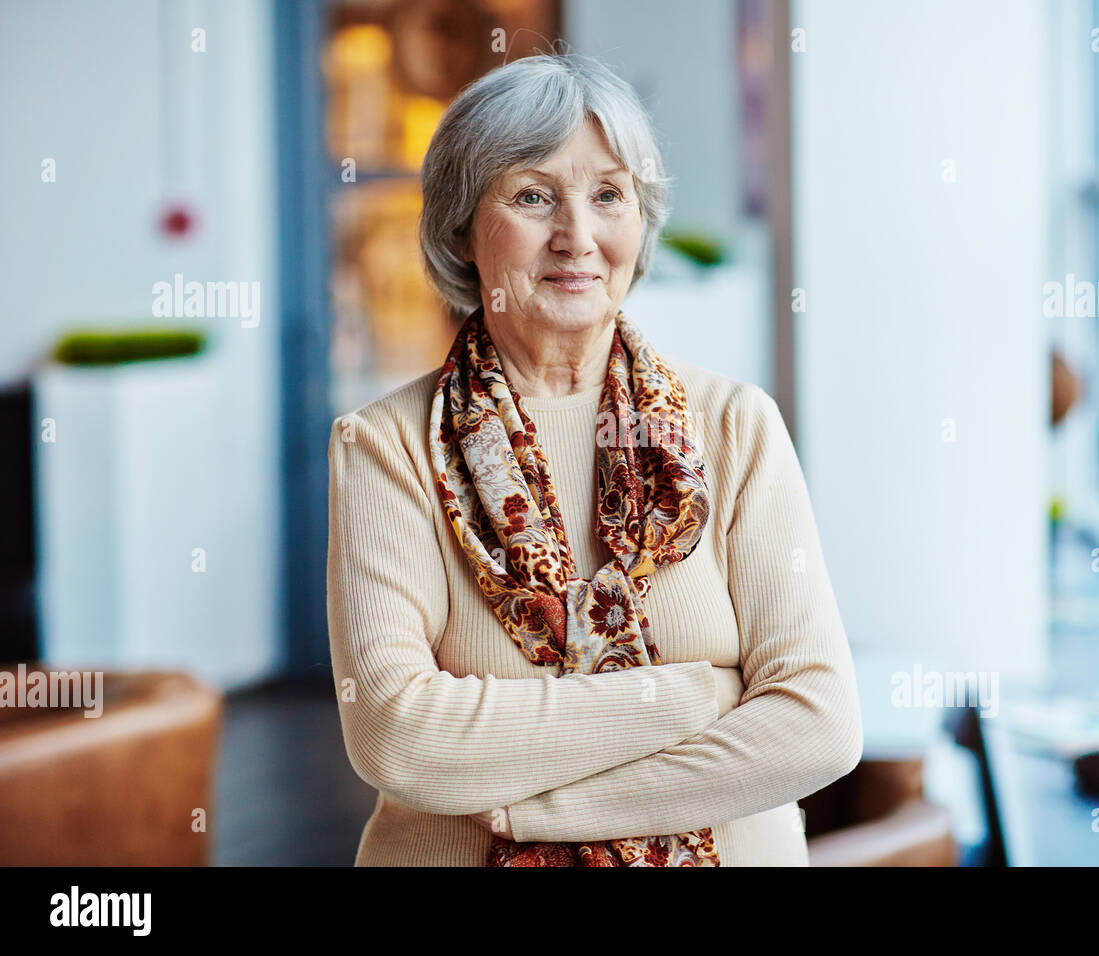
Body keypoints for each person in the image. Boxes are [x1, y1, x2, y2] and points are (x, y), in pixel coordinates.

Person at [326, 52, 861, 866]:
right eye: (533, 196)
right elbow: (398, 737)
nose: (577, 236)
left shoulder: (735, 427)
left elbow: (819, 724)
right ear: (464, 228)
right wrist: (700, 692)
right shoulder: (385, 446)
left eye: (609, 195)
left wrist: (553, 809)